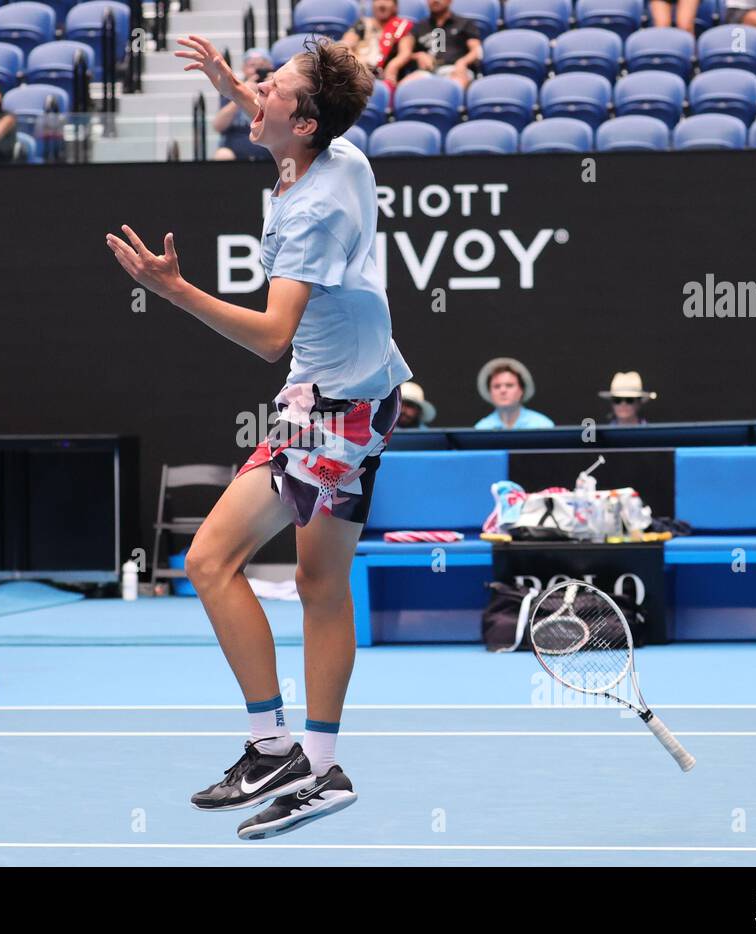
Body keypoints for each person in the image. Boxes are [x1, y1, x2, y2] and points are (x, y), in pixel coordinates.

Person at [110, 34, 411, 839]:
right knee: (318, 588)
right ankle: (322, 766)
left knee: (209, 562)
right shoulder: (335, 156)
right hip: (360, 396)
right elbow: (281, 116)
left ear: (305, 122)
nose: (255, 92)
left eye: (269, 88)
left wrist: (176, 293)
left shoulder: (313, 210)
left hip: (330, 410)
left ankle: (270, 744)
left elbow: (275, 333)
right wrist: (229, 87)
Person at [394, 0, 483, 91]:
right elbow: (404, 53)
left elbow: (476, 51)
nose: (435, 1)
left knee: (455, 88)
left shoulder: (465, 23)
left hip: (454, 69)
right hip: (426, 72)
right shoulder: (419, 26)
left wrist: (463, 62)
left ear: (450, 1)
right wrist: (418, 56)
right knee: (403, 88)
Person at [341, 0, 416, 93]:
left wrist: (392, 67)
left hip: (388, 79)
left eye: (387, 1)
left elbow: (405, 54)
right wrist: (359, 62)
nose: (382, 4)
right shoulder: (362, 24)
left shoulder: (401, 27)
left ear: (395, 7)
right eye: (377, 0)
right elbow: (345, 45)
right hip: (360, 75)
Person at [213, 48, 273, 161]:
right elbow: (218, 126)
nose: (257, 69)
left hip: (270, 151)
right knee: (222, 155)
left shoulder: (277, 91)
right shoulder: (231, 89)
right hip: (235, 151)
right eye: (252, 65)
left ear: (270, 68)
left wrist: (272, 90)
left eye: (262, 65)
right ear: (244, 69)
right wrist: (241, 94)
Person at [473, 356, 554, 429]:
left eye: (509, 385)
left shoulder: (542, 425)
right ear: (490, 392)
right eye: (497, 386)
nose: (503, 390)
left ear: (521, 390)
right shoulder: (482, 428)